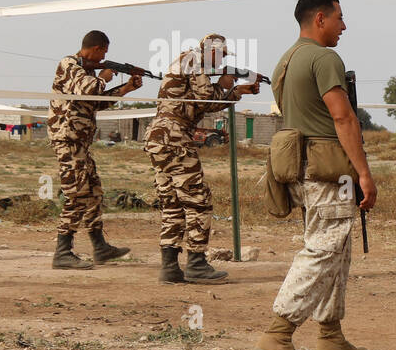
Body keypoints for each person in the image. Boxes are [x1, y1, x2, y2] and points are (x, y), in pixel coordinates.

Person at [251, 0, 375, 350]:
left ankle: (330, 336)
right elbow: (343, 118)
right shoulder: (324, 58)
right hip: (327, 171)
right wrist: (365, 174)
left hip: (299, 168)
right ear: (320, 18)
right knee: (324, 248)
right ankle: (278, 333)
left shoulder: (285, 62)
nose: (344, 26)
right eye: (339, 18)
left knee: (337, 250)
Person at [145, 33, 261, 284]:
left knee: (173, 202)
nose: (220, 64)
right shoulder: (193, 60)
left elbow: (201, 103)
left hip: (162, 137)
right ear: (212, 51)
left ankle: (170, 266)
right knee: (198, 198)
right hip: (173, 136)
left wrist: (234, 91)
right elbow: (205, 99)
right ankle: (196, 262)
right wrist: (228, 86)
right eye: (220, 57)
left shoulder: (191, 63)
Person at [47, 30, 146, 270]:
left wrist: (126, 88)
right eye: (104, 52)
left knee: (93, 191)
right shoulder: (69, 64)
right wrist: (104, 76)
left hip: (80, 142)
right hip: (68, 140)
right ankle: (62, 251)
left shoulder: (88, 73)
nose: (104, 56)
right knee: (77, 193)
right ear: (98, 48)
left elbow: (96, 101)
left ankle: (99, 246)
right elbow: (88, 88)